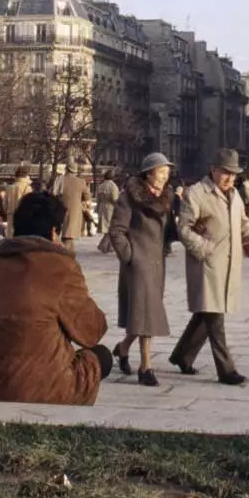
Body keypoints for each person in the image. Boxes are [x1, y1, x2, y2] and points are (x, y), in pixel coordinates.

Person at [0, 191, 111, 405]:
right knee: (101, 356)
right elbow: (92, 332)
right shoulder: (59, 267)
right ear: (53, 232)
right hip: (38, 390)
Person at [169, 149, 249, 385]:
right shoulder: (197, 194)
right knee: (215, 317)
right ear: (213, 169)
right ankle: (226, 370)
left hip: (229, 263)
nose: (230, 178)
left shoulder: (234, 195)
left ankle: (182, 355)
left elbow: (243, 223)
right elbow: (183, 229)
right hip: (207, 264)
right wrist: (205, 248)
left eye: (234, 174)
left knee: (206, 312)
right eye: (226, 173)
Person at [108, 152, 173, 387]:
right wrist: (130, 256)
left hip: (157, 263)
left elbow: (170, 229)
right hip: (138, 263)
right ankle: (146, 366)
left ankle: (123, 348)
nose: (165, 177)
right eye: (161, 172)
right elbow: (116, 230)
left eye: (167, 172)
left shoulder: (165, 198)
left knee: (146, 312)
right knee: (146, 313)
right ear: (148, 174)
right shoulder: (129, 198)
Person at [2, 167, 33, 237]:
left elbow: (4, 205)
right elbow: (30, 204)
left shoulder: (9, 188)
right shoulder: (28, 188)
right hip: (23, 216)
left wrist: (8, 211)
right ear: (26, 176)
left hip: (11, 215)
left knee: (11, 237)